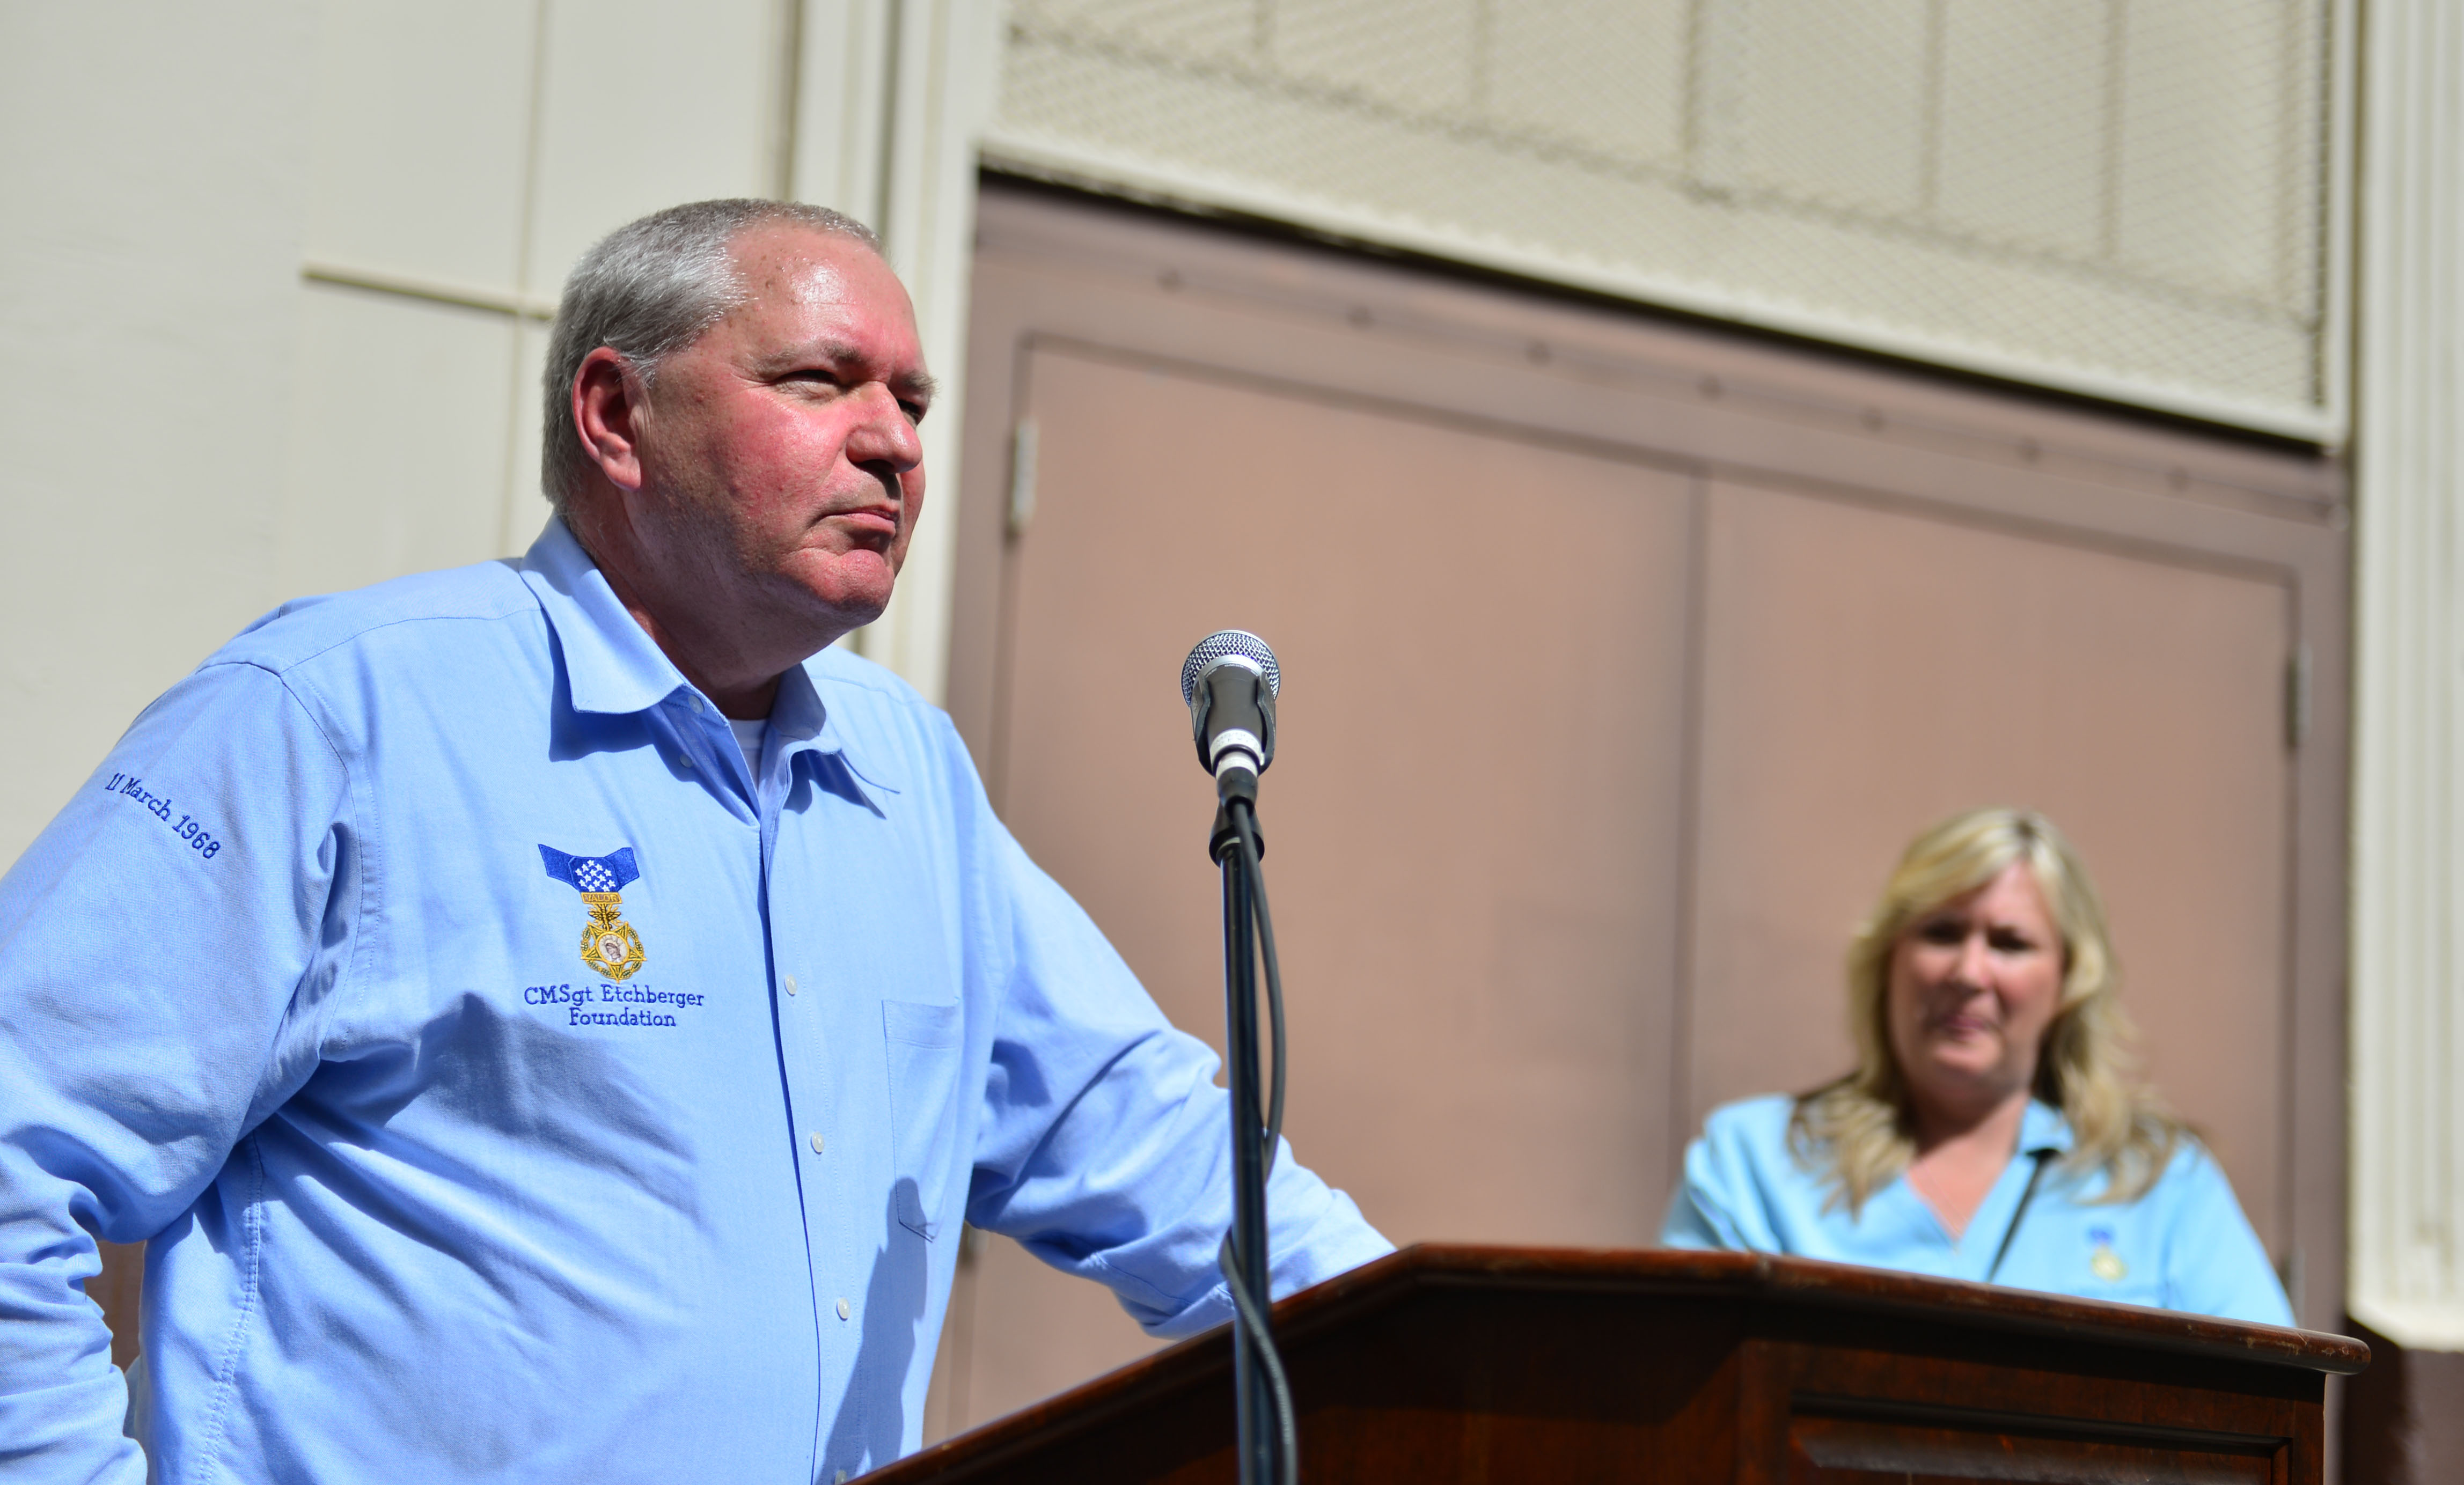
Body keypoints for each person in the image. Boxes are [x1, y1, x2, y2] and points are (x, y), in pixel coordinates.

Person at [0, 200, 1389, 1483]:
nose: (894, 441)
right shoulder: (341, 716)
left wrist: (1467, 1358)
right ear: (615, 413)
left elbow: (1134, 1139)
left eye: (913, 400)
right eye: (820, 381)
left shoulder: (907, 777)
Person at [1661, 807, 2291, 1325]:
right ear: (1888, 961)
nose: (1967, 973)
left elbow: (2272, 1411)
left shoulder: (2160, 1183)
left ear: (2069, 981)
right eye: (1941, 932)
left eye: (2009, 943)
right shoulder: (1753, 1163)